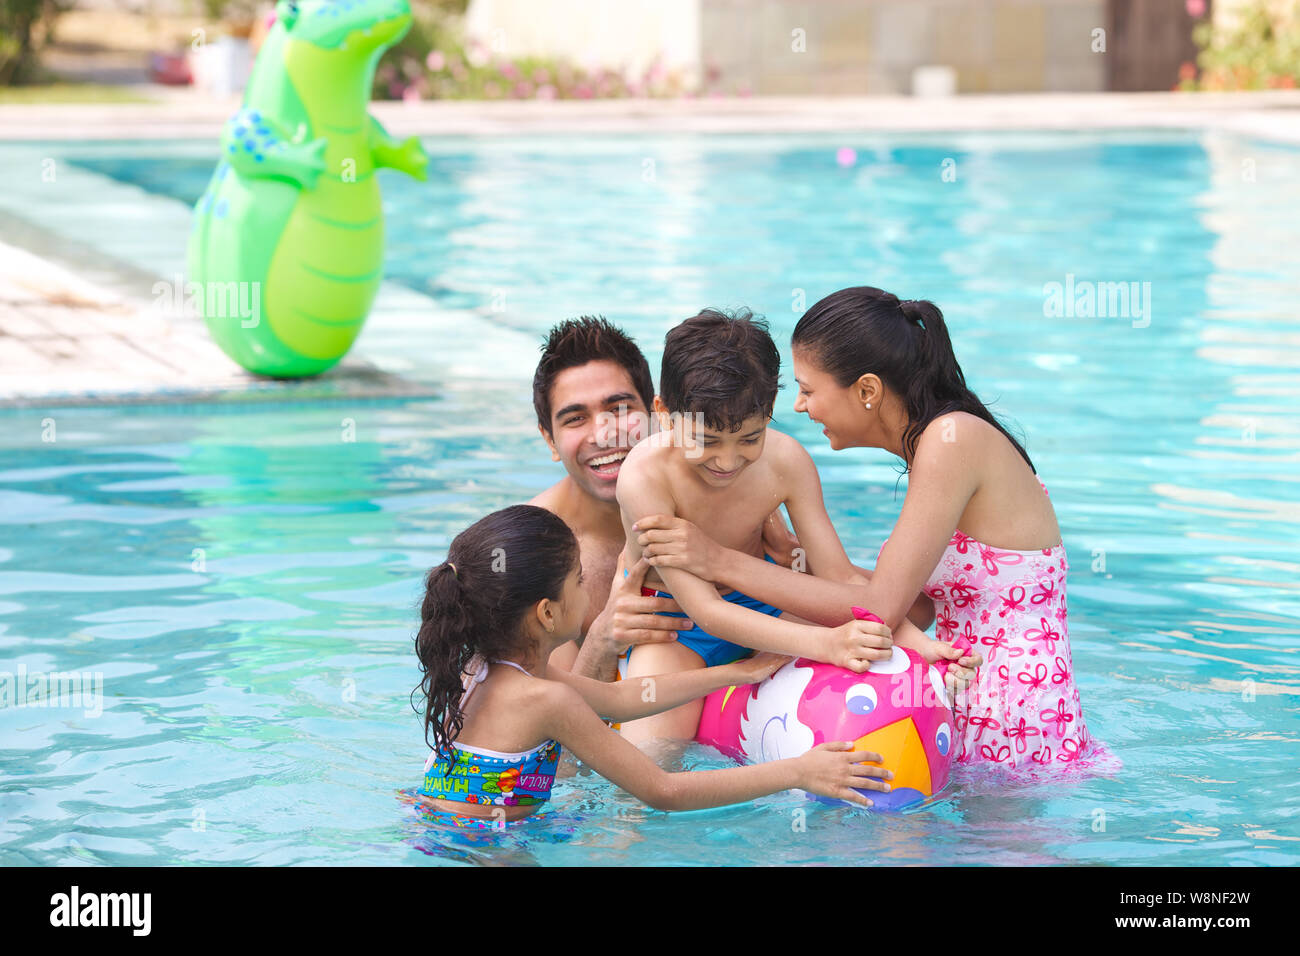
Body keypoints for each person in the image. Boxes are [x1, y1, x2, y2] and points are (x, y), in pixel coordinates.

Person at [635, 287, 1096, 769]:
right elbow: (906, 607)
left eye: (809, 390)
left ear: (868, 391)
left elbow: (876, 608)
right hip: (964, 694)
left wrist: (720, 560)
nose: (800, 408)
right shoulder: (940, 443)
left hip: (1014, 712)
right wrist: (797, 563)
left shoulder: (948, 442)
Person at [614, 308, 974, 746]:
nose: (727, 461)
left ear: (769, 413)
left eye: (749, 438)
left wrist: (918, 644)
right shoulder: (645, 478)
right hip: (678, 626)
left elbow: (839, 579)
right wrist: (827, 645)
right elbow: (707, 610)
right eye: (706, 442)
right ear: (664, 413)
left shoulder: (785, 462)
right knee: (649, 758)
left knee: (892, 652)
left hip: (764, 604)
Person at [414, 505, 894, 824]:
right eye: (580, 581)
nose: (590, 591)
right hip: (483, 852)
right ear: (547, 612)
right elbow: (663, 791)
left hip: (435, 831)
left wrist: (735, 673)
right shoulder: (546, 699)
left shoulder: (484, 669)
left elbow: (621, 699)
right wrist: (798, 771)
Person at [527, 316, 799, 678]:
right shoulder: (532, 557)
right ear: (550, 441)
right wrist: (601, 641)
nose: (605, 434)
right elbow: (541, 725)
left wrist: (795, 563)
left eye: (620, 409)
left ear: (660, 416)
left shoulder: (729, 480)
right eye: (576, 419)